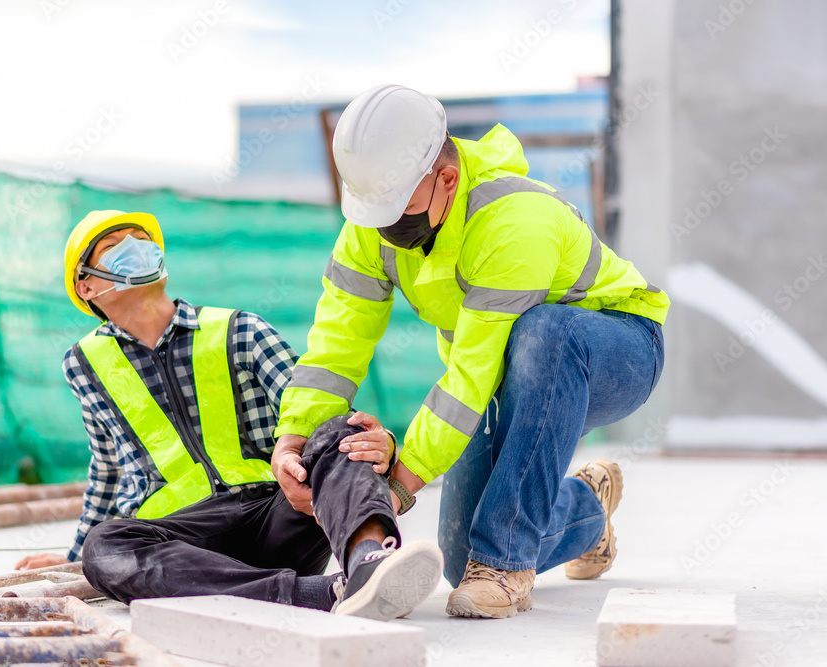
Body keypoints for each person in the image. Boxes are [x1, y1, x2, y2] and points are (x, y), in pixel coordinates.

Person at [272, 85, 669, 619]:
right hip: (507, 374)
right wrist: (293, 440)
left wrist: (398, 484)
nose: (389, 227)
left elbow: (471, 374)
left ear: (447, 179)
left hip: (615, 351)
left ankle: (506, 566)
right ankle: (587, 510)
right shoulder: (371, 228)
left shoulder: (513, 220)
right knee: (461, 556)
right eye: (377, 211)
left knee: (543, 332)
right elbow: (335, 344)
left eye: (401, 207)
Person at [15, 210, 442, 620]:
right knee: (104, 546)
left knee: (336, 428)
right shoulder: (83, 364)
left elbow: (315, 408)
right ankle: (322, 594)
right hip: (182, 540)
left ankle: (368, 563)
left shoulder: (240, 330)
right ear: (86, 286)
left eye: (143, 242)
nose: (135, 249)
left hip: (275, 512)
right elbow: (108, 469)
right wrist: (75, 555)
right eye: (113, 247)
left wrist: (382, 442)